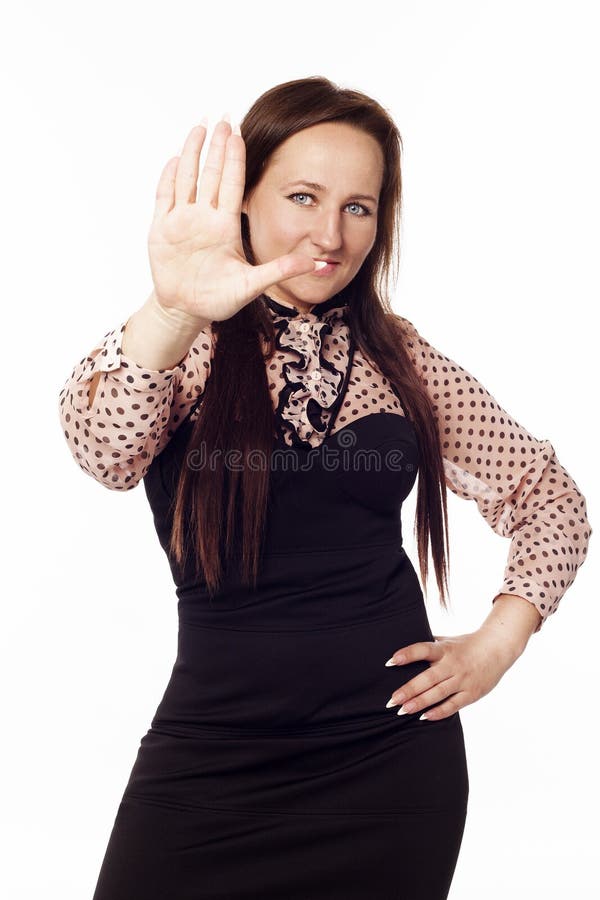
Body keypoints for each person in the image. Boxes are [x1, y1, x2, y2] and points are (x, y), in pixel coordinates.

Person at [57, 76, 592, 900]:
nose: (331, 235)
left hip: (390, 767)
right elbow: (104, 452)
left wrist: (497, 644)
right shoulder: (186, 342)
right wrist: (170, 310)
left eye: (359, 207)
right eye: (303, 197)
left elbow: (548, 498)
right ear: (244, 200)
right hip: (209, 763)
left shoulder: (398, 358)